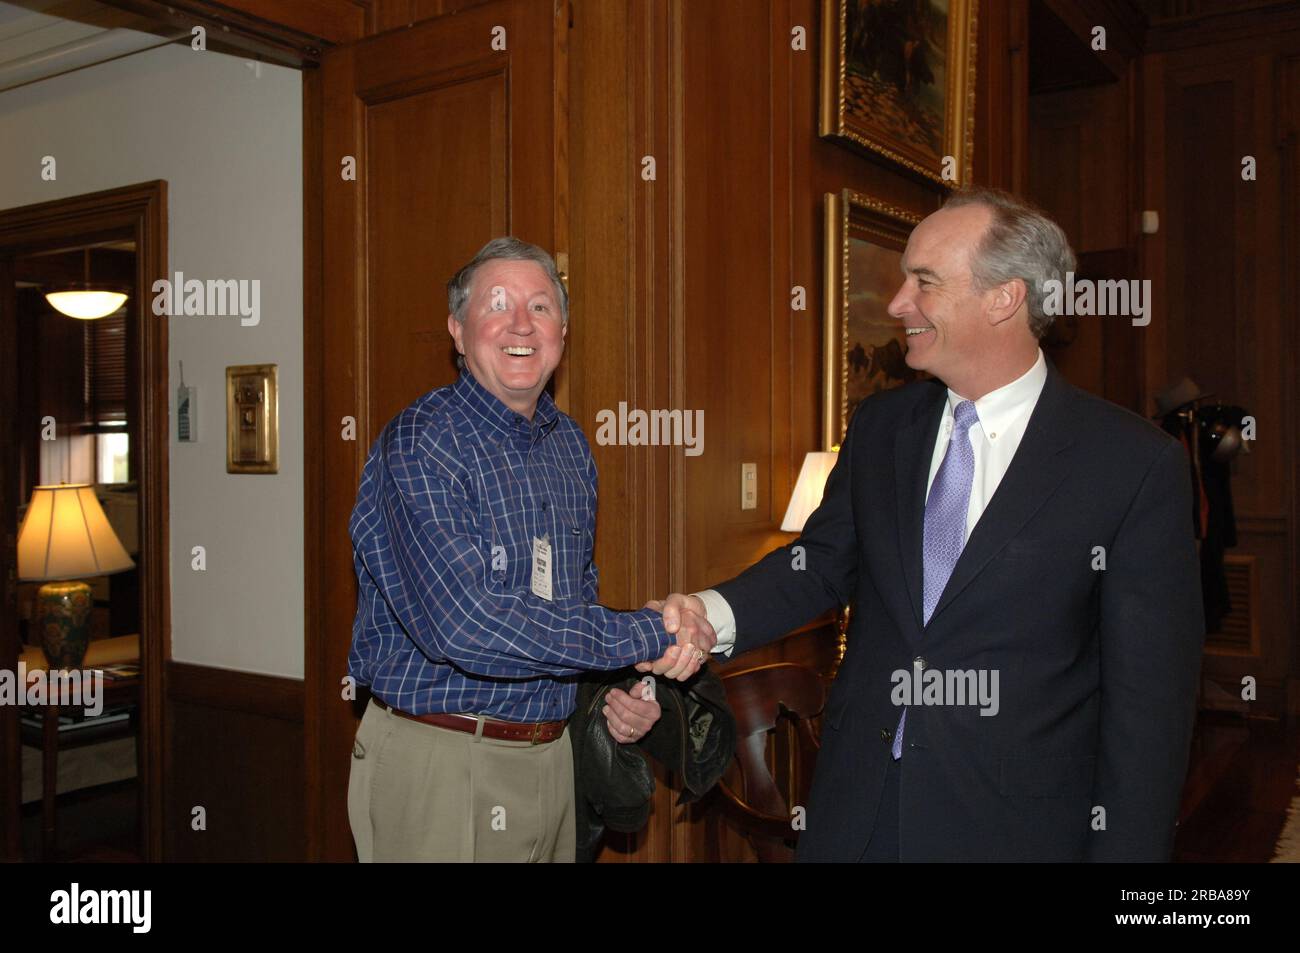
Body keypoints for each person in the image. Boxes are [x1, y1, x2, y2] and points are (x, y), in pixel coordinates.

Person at [654, 188, 1205, 862]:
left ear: (1004, 297)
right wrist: (706, 613)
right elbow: (821, 563)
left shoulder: (1130, 464)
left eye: (925, 282)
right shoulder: (884, 429)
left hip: (1014, 829)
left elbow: (1148, 713)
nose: (897, 304)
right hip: (857, 811)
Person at [346, 237, 714, 862]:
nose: (521, 324)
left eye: (540, 307)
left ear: (562, 332)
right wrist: (648, 636)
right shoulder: (421, 442)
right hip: (443, 764)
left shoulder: (570, 446)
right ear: (458, 332)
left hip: (552, 759)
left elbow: (566, 607)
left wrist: (615, 695)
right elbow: (463, 626)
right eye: (497, 304)